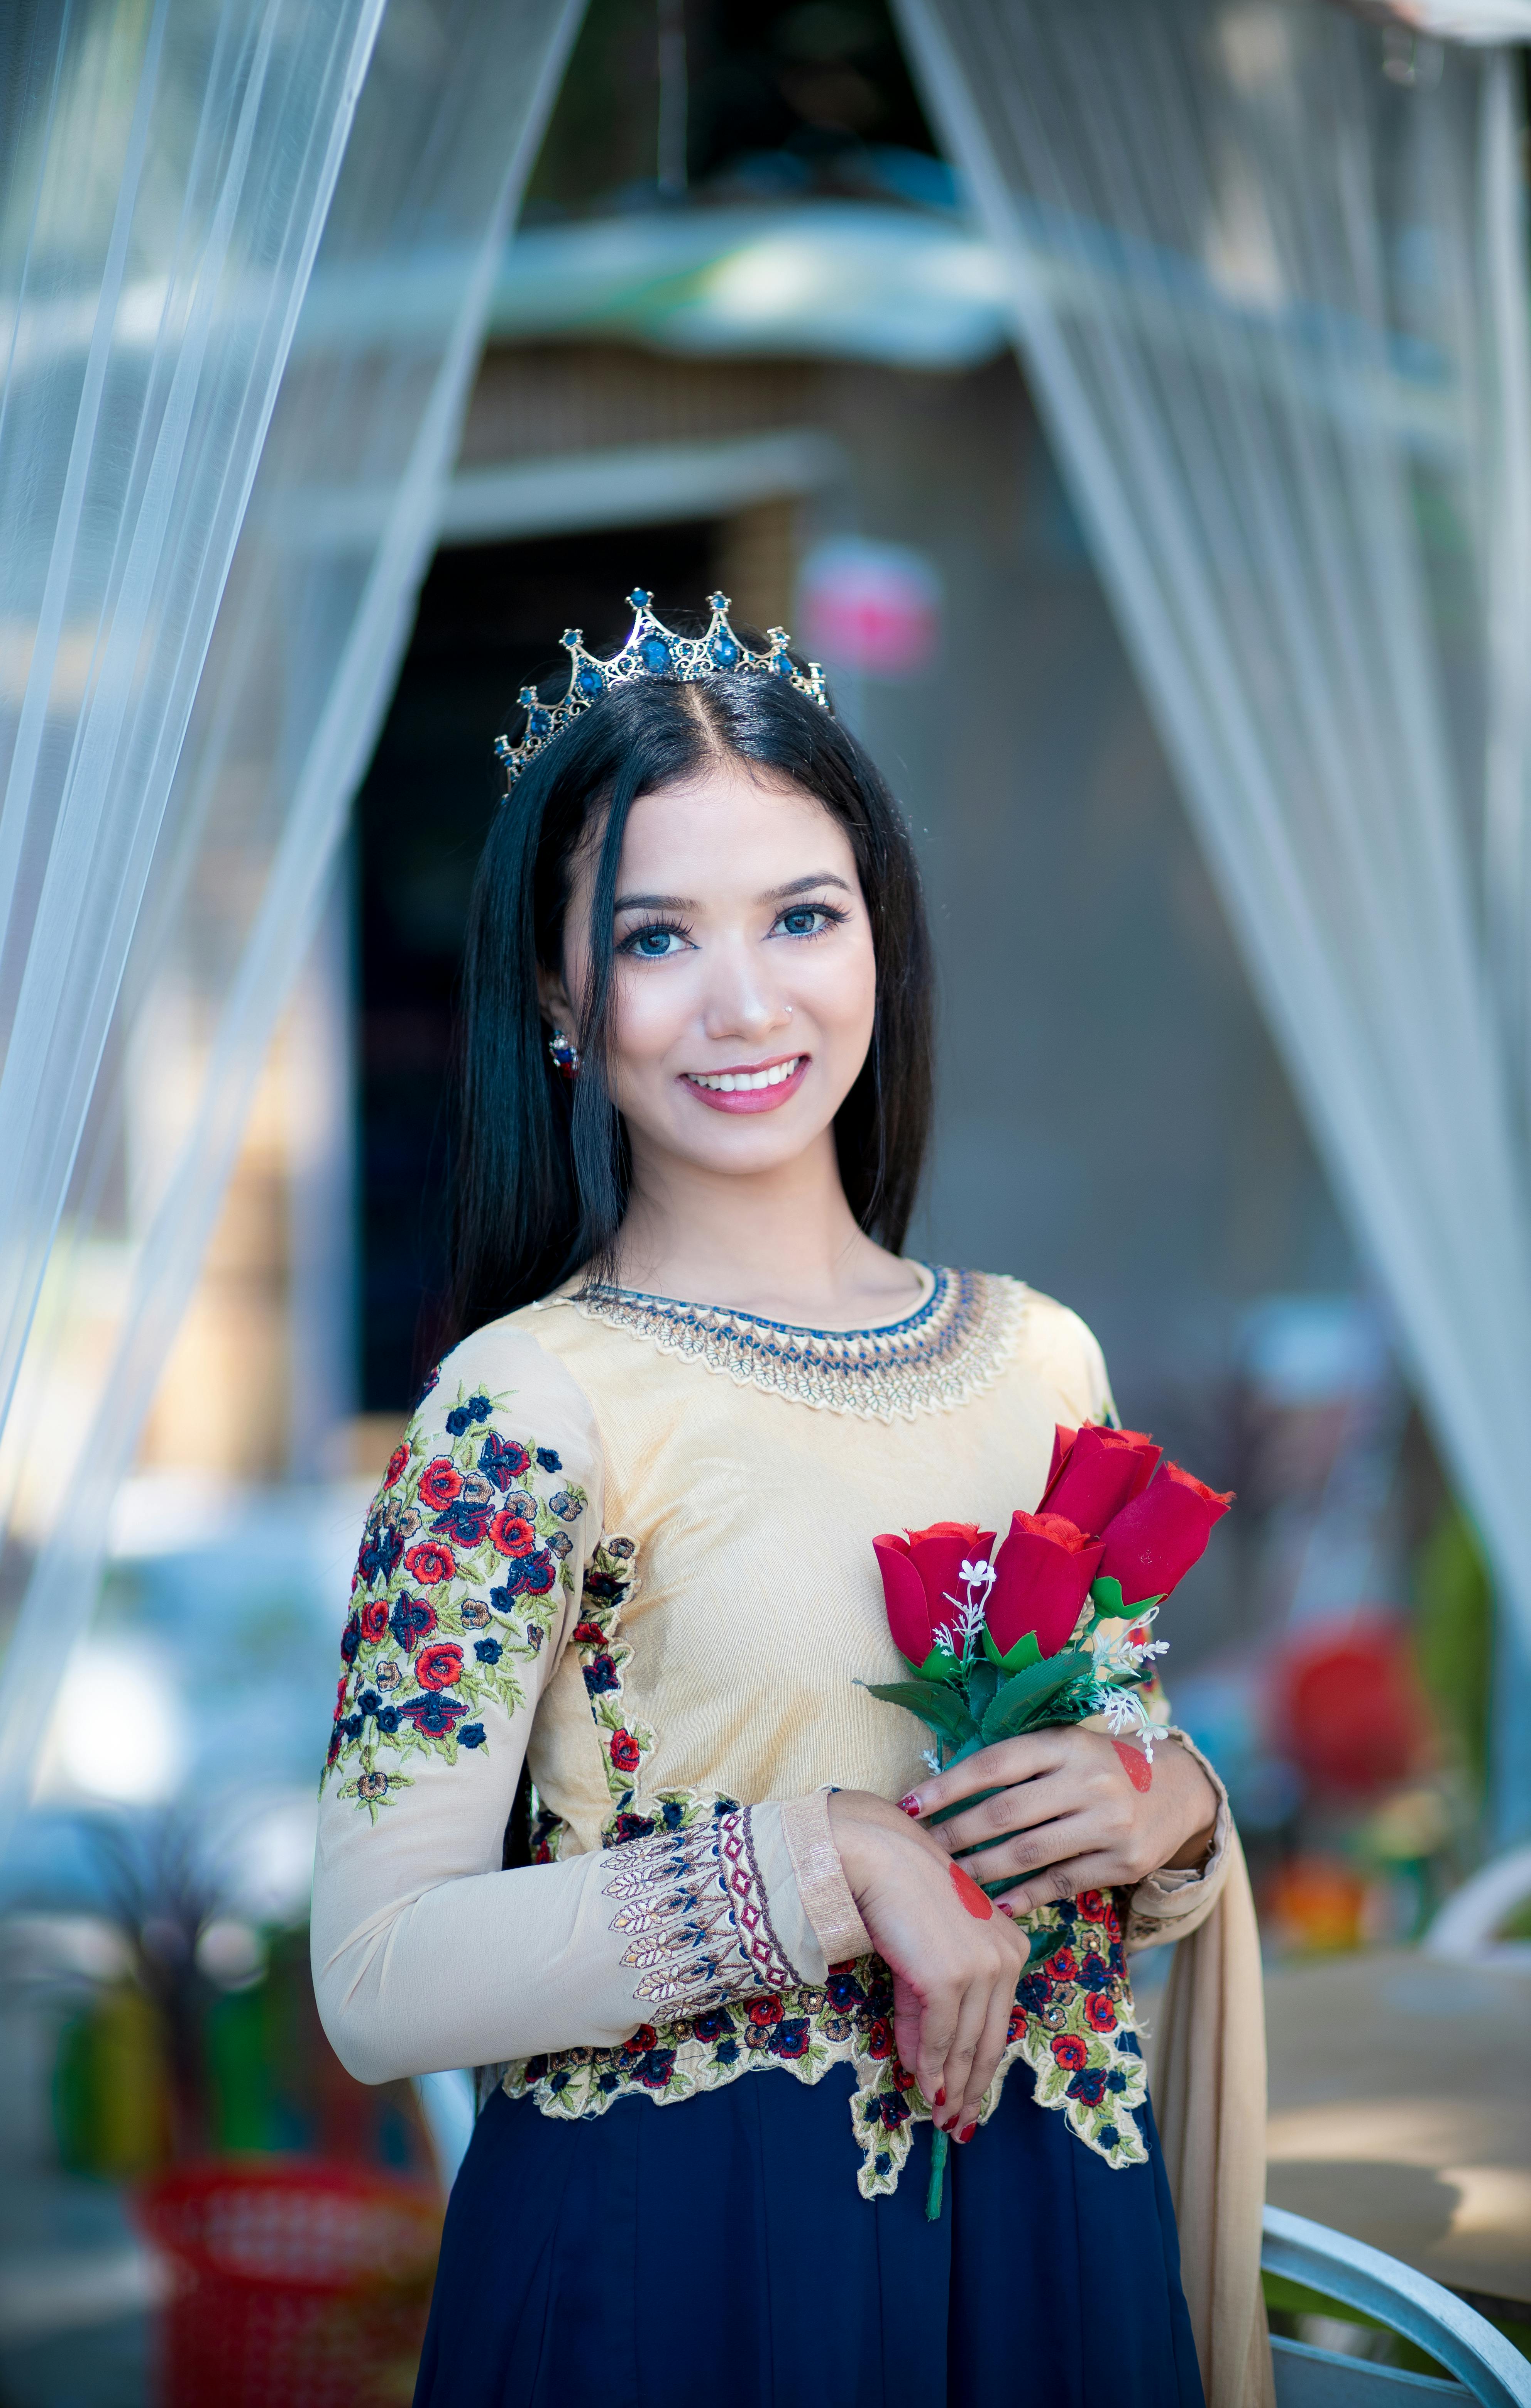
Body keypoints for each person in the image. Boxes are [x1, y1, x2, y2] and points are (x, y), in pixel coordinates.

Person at [311, 593, 1272, 2408]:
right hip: (691, 2277)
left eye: (801, 918)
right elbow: (377, 1976)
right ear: (554, 992)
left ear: (880, 943)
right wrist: (827, 1865)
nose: (744, 1002)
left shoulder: (1038, 1359)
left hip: (1048, 2236)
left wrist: (1162, 1804)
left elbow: (1120, 1773)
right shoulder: (522, 1406)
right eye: (656, 935)